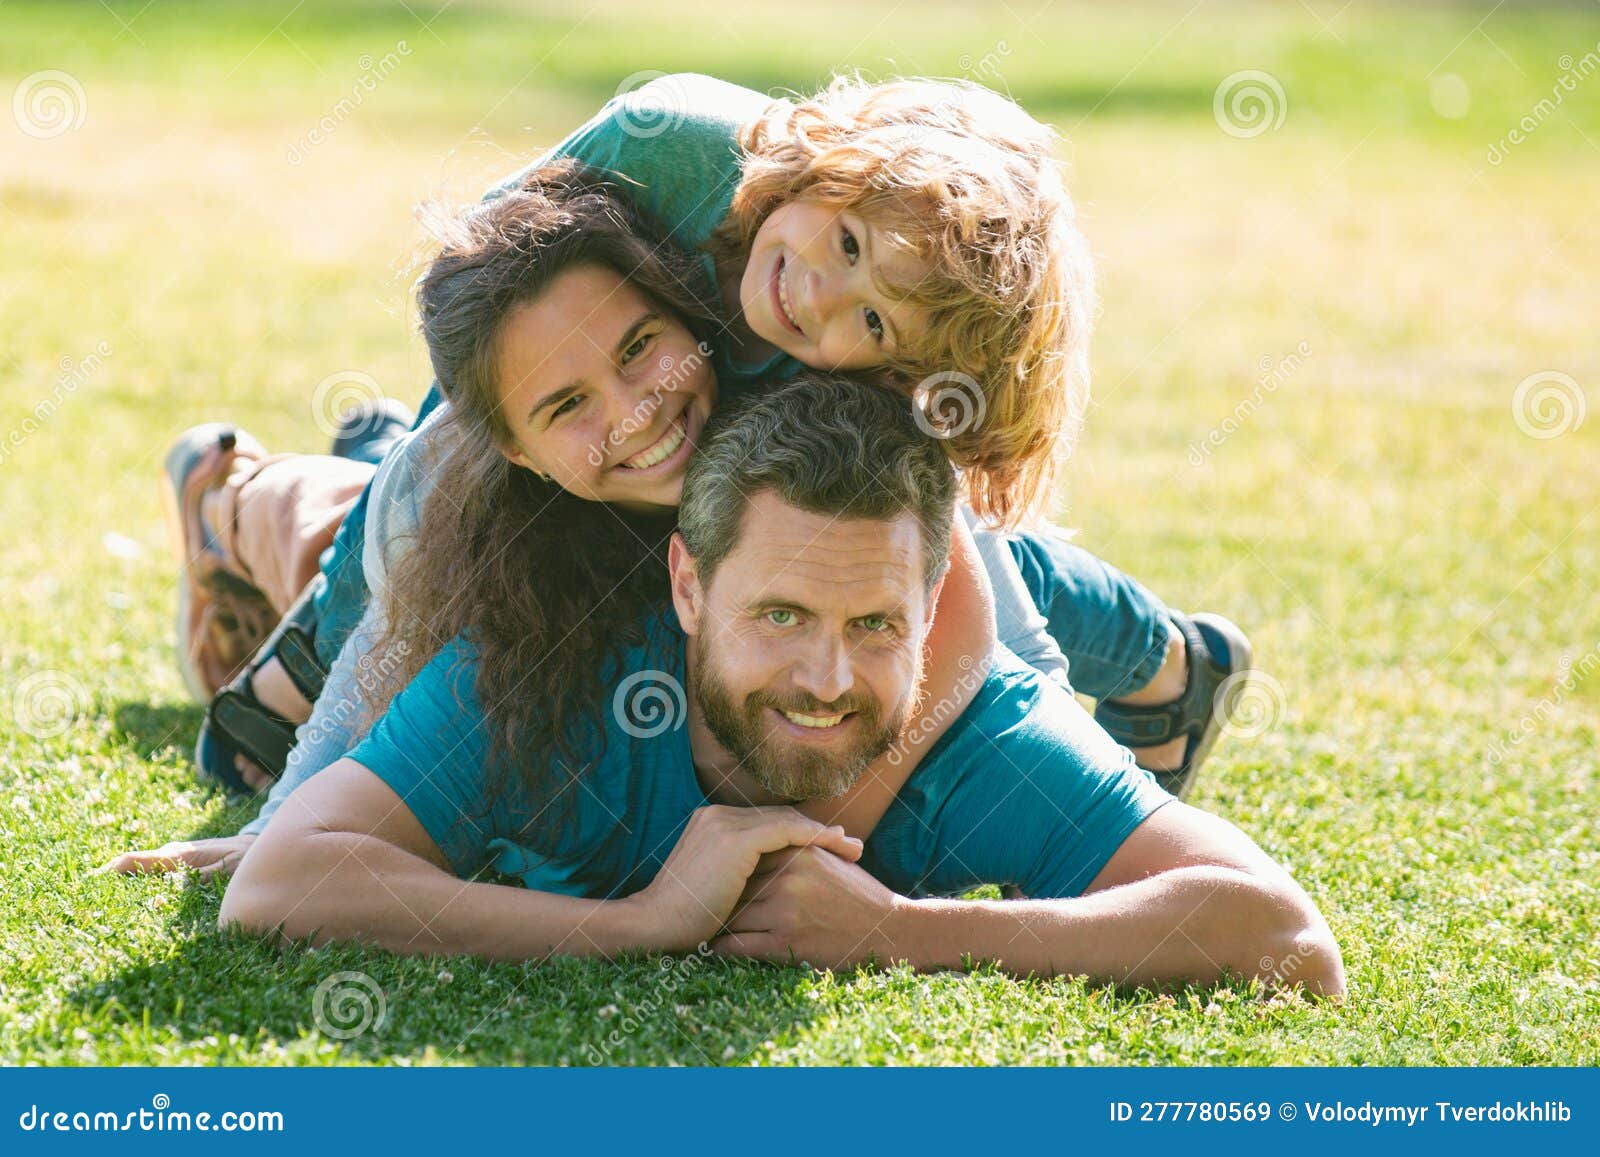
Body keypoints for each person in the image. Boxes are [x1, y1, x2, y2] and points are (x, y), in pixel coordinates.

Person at [116, 167, 1244, 880]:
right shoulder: (461, 484)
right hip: (465, 522)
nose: (639, 412)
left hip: (831, 548)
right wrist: (290, 825)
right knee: (336, 542)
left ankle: (1172, 661)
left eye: (640, 350)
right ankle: (231, 495)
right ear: (515, 439)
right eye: (568, 405)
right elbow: (388, 643)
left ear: (680, 306)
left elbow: (989, 615)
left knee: (948, 574)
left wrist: (842, 816)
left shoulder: (799, 367)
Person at [218, 375, 1343, 995]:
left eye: (873, 624)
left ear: (933, 603)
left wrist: (900, 930)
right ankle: (226, 488)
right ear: (689, 584)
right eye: (780, 616)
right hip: (409, 522)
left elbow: (1285, 933)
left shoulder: (980, 739)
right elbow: (274, 887)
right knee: (313, 520)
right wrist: (641, 922)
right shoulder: (548, 672)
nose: (827, 677)